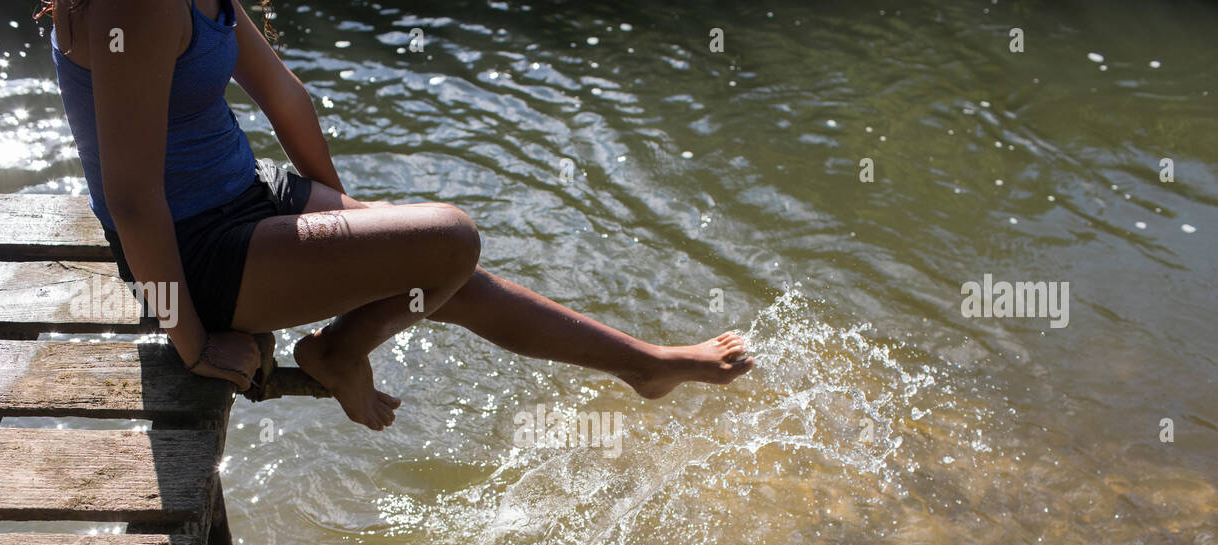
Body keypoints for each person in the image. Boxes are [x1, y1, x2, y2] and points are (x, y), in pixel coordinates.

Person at [45, 0, 754, 430]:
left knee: (435, 263)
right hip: (192, 253)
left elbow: (285, 96)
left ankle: (645, 367)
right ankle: (336, 353)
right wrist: (194, 344)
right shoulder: (136, 8)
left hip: (250, 194)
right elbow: (135, 202)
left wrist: (352, 230)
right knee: (450, 241)